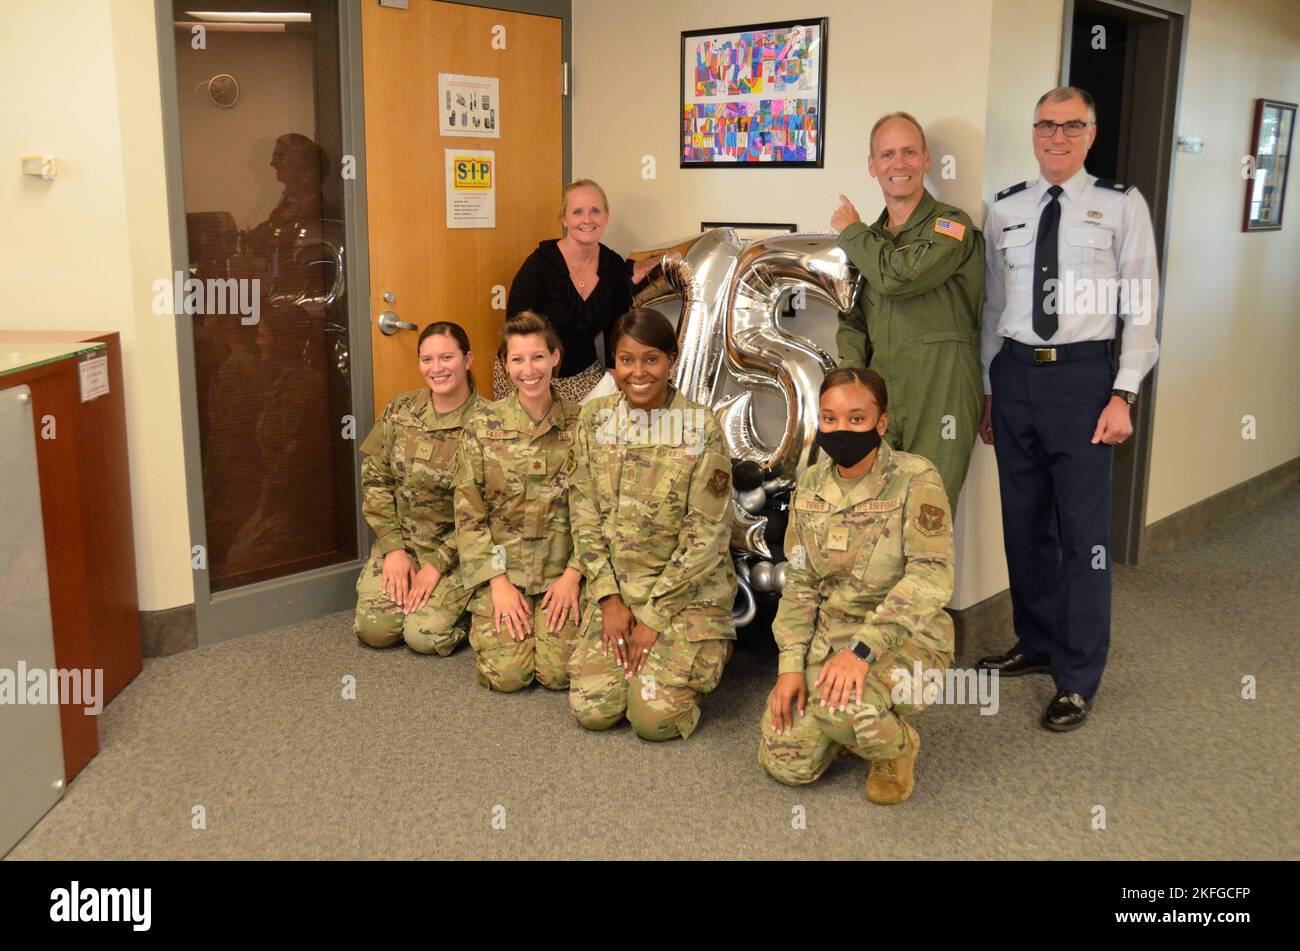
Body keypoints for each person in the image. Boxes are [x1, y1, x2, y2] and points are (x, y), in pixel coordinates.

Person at [976, 86, 1160, 731]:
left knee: (1084, 540)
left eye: (1071, 126)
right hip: (1016, 375)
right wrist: (990, 389)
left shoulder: (1120, 206)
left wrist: (1125, 392)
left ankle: (1078, 676)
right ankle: (1037, 641)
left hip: (1084, 380)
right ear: (1033, 132)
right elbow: (993, 309)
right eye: (1046, 125)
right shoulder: (1003, 208)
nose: (1057, 136)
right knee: (1023, 524)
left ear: (1091, 133)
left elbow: (1141, 305)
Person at [758, 368, 955, 804]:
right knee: (786, 760)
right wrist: (790, 667)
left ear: (880, 424)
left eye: (856, 419)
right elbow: (801, 582)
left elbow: (931, 575)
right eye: (829, 418)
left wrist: (861, 652)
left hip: (906, 637)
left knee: (840, 708)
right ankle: (847, 724)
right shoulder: (810, 485)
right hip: (833, 637)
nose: (840, 429)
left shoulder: (915, 479)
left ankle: (897, 747)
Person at [567, 307, 737, 741]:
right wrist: (607, 599)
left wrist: (655, 618)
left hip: (684, 597)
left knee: (653, 720)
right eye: (626, 360)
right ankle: (643, 669)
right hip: (620, 593)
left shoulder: (700, 427)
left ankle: (699, 656)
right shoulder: (595, 419)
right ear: (614, 366)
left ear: (670, 362)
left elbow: (707, 538)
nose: (638, 372)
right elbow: (583, 513)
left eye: (651, 360)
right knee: (594, 710)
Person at [829, 112, 985, 513]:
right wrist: (851, 383)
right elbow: (852, 318)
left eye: (909, 152)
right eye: (887, 154)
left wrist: (852, 233)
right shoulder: (869, 240)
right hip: (882, 392)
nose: (899, 164)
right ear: (872, 166)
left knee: (928, 517)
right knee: (872, 517)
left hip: (941, 390)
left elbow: (900, 276)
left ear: (927, 160)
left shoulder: (952, 226)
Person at [453, 312, 584, 691]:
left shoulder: (582, 425)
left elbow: (597, 511)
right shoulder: (482, 426)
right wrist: (498, 584)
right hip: (504, 573)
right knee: (509, 677)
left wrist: (573, 577)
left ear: (555, 357)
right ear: (505, 365)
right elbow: (469, 517)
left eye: (538, 357)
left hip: (561, 576)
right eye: (518, 359)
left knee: (558, 676)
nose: (529, 370)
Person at [354, 321, 487, 654]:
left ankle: (470, 611)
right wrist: (393, 548)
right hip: (404, 543)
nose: (436, 368)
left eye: (446, 357)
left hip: (457, 551)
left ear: (468, 359)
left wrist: (438, 563)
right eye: (427, 360)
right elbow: (375, 478)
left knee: (423, 636)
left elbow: (488, 510)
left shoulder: (488, 423)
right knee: (376, 631)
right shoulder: (400, 411)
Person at [502, 179, 662, 401]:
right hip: (531, 375)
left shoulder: (612, 265)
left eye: (595, 211)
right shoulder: (539, 266)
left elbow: (617, 330)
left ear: (606, 217)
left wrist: (617, 373)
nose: (587, 220)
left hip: (585, 376)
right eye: (577, 212)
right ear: (564, 219)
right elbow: (515, 332)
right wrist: (533, 381)